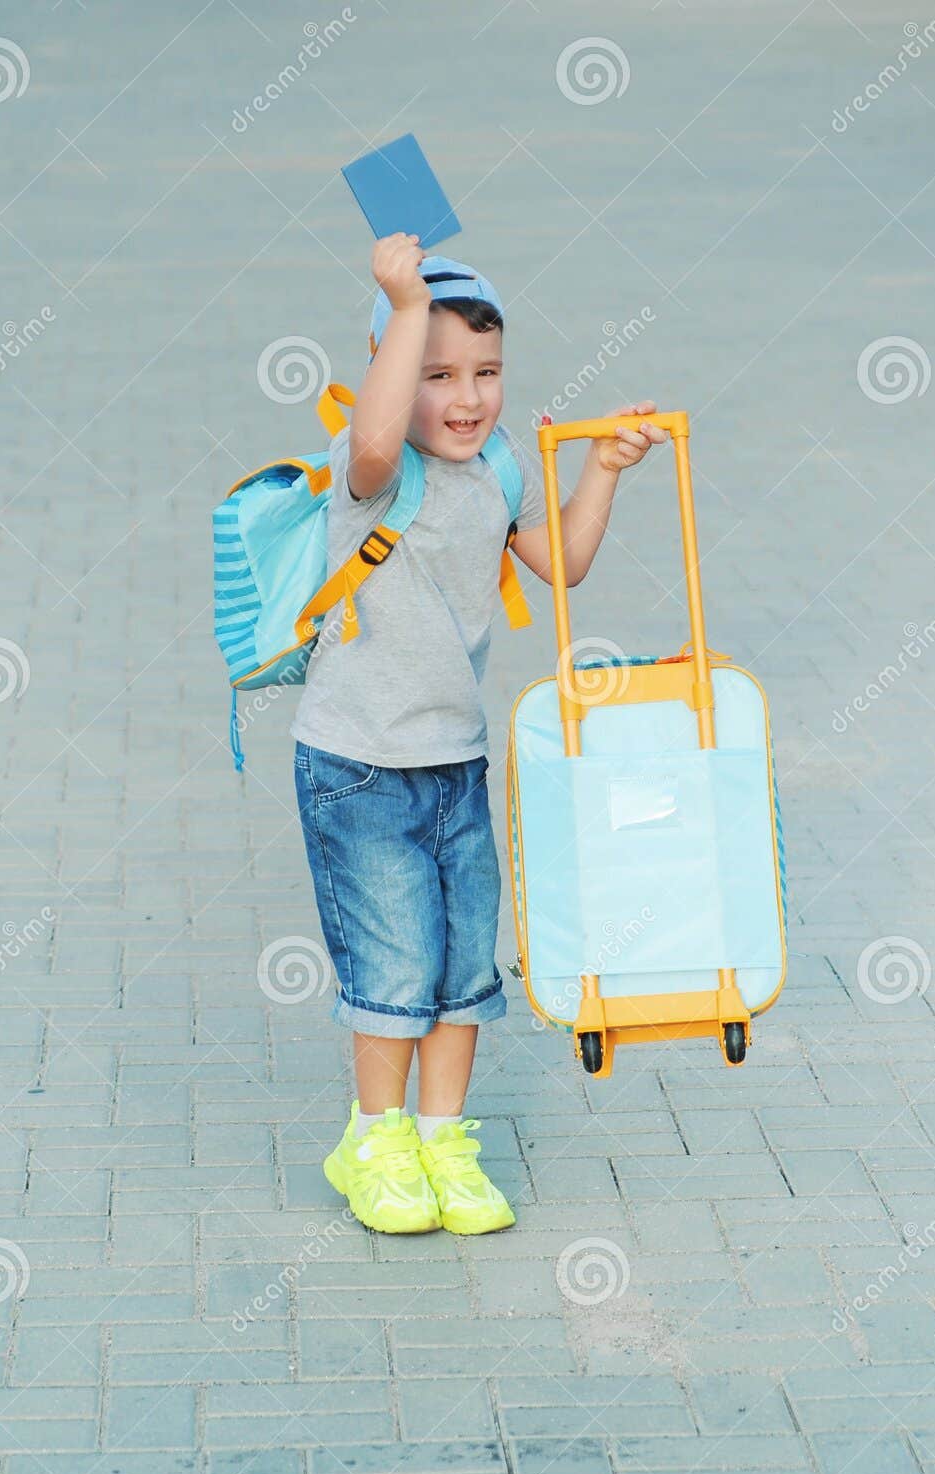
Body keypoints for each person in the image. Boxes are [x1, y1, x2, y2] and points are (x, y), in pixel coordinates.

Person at [291, 232, 665, 1236]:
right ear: (391, 370)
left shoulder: (495, 467)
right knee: (393, 970)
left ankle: (442, 1140)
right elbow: (376, 438)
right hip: (358, 763)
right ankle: (374, 1141)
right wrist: (401, 303)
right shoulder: (367, 465)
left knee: (461, 972)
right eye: (433, 374)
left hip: (453, 763)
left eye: (486, 374)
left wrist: (603, 468)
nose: (465, 398)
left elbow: (564, 563)